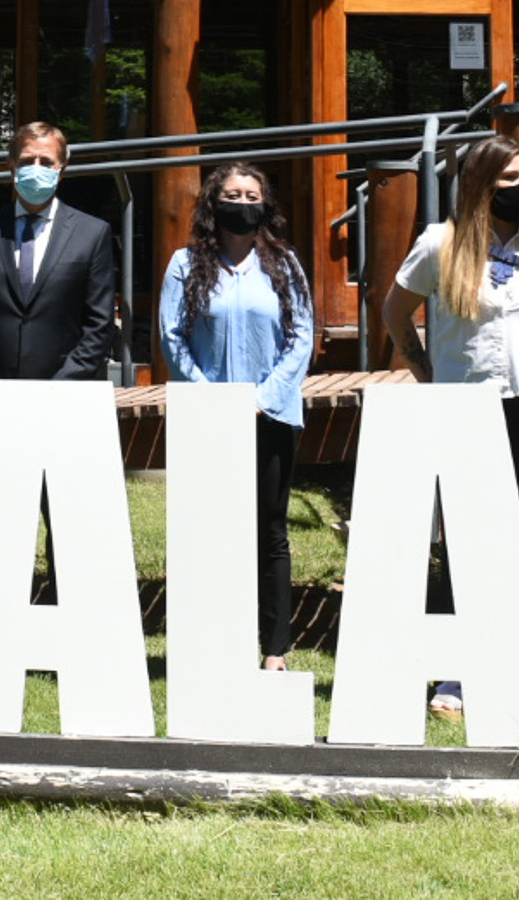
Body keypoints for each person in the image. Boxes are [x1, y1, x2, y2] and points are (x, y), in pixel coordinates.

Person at [380, 134, 519, 714]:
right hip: (466, 408)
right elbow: (395, 309)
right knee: (467, 539)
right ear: (478, 185)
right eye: (508, 179)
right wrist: (422, 367)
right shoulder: (439, 244)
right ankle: (457, 676)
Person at [158, 163, 316, 670]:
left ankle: (275, 648)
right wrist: (210, 400)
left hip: (272, 416)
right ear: (214, 203)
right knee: (210, 529)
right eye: (232, 194)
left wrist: (264, 398)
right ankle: (214, 641)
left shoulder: (284, 265)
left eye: (251, 195)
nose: (242, 203)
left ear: (264, 205)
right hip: (208, 419)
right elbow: (172, 336)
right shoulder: (185, 265)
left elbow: (301, 337)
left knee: (270, 530)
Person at [0, 121, 118, 429]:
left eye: (46, 162)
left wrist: (58, 390)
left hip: (66, 405)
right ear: (11, 166)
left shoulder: (92, 234)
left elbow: (99, 325)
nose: (36, 169)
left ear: (62, 170)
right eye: (27, 161)